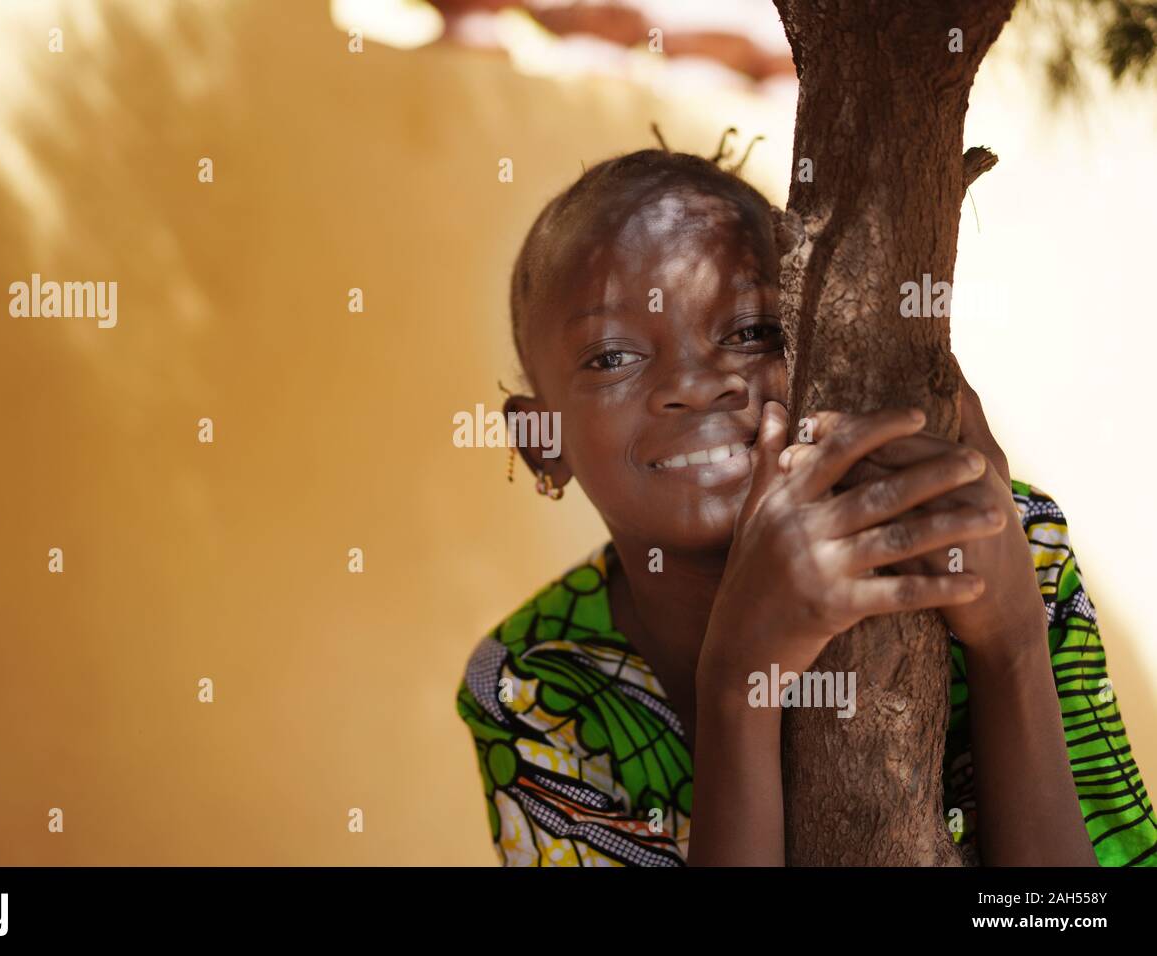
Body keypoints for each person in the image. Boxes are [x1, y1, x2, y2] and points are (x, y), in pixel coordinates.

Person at [455, 143, 1156, 866]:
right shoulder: (530, 682)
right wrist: (737, 683)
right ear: (541, 440)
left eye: (751, 333)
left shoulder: (998, 538)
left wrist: (1009, 643)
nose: (698, 386)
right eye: (611, 357)